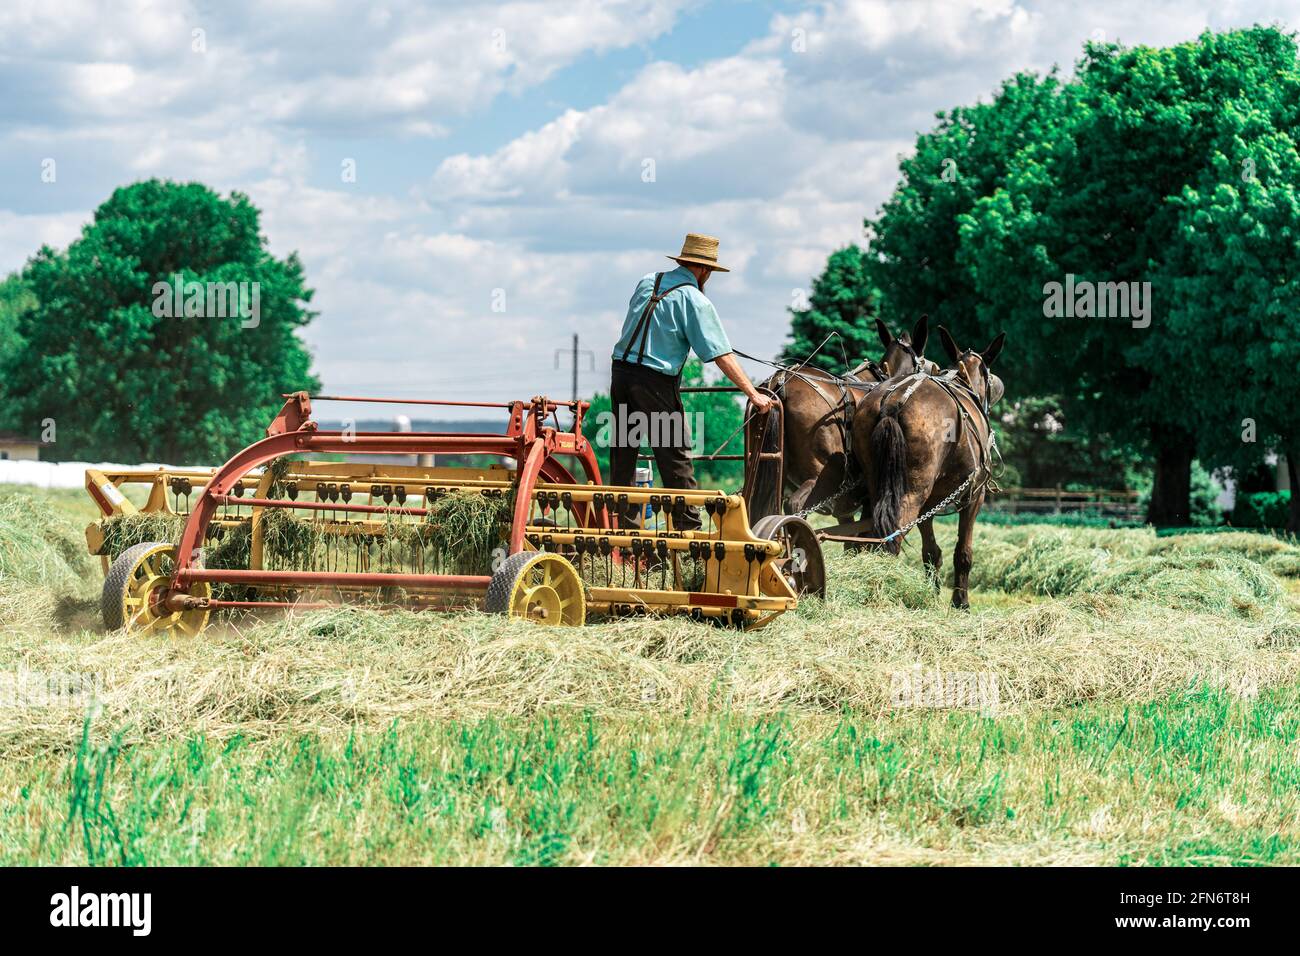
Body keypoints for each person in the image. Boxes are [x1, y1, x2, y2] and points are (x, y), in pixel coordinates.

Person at [608, 233, 773, 529]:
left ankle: (624, 531)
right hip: (654, 381)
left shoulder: (648, 281)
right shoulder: (694, 299)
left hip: (620, 374)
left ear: (682, 260)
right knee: (675, 457)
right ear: (705, 270)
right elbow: (721, 354)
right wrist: (753, 394)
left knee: (623, 454)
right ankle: (688, 531)